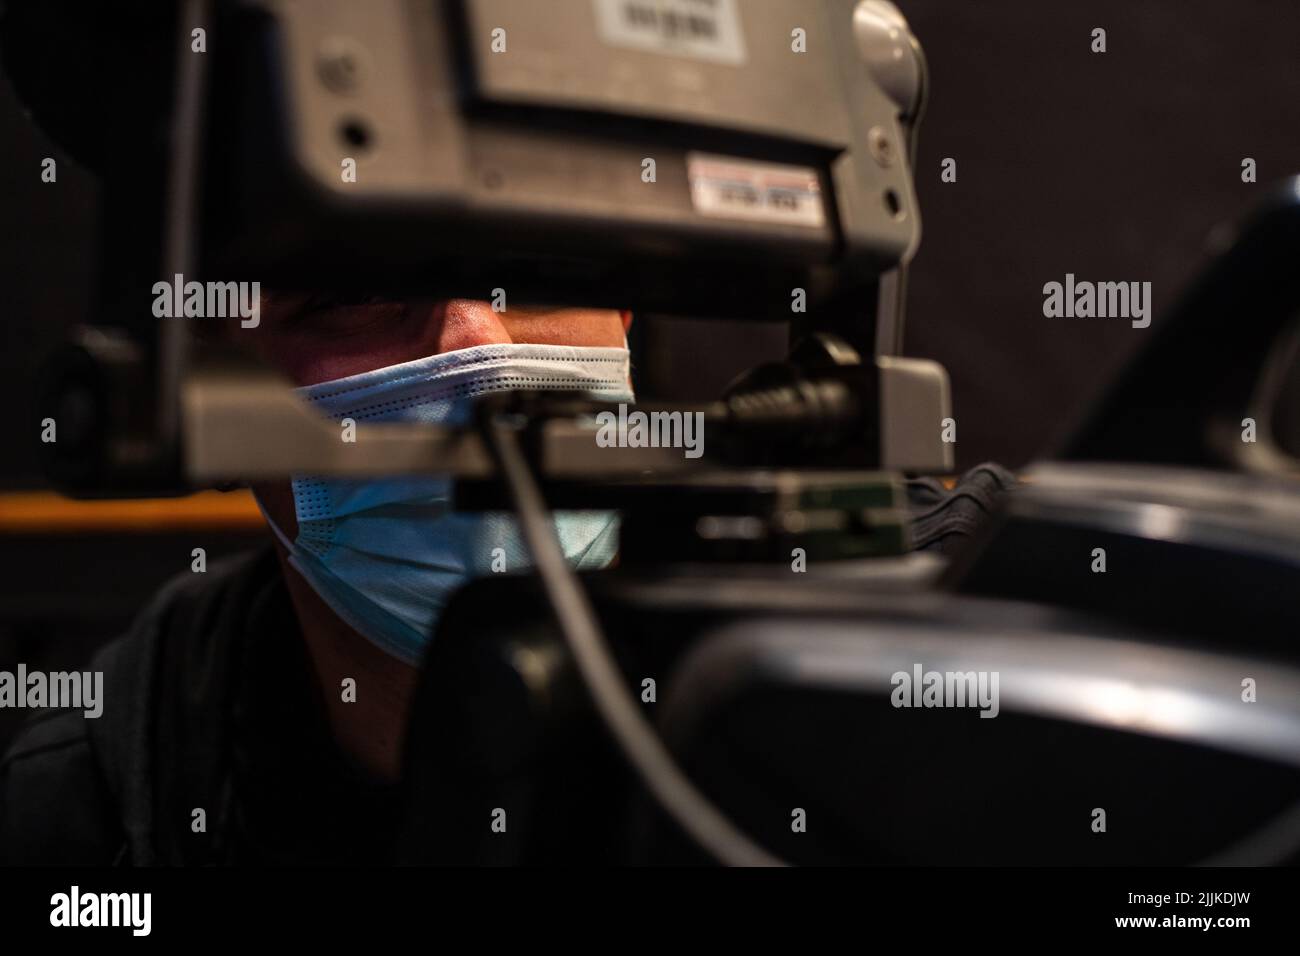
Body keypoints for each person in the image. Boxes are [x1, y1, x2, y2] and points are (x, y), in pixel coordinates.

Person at [0, 295, 636, 864]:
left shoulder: (732, 772)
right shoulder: (67, 822)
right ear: (204, 385)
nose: (480, 352)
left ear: (625, 314)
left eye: (536, 274)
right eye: (354, 293)